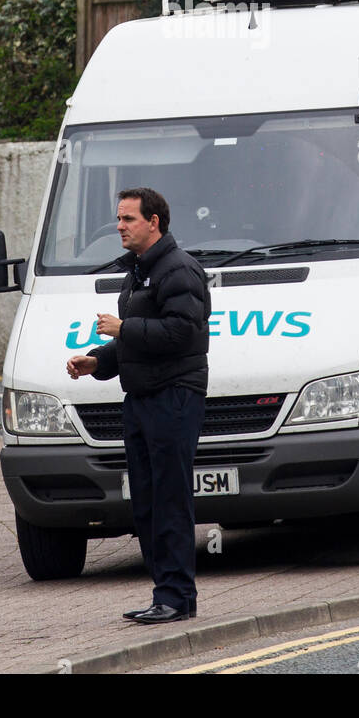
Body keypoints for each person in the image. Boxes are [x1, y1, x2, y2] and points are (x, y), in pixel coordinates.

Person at [66, 187, 211, 625]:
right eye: (119, 218)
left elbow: (183, 334)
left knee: (170, 498)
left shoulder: (180, 269)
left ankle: (175, 595)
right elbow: (134, 344)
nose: (119, 226)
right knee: (146, 501)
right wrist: (97, 362)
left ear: (155, 222)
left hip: (174, 397)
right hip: (141, 399)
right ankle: (169, 595)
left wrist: (125, 328)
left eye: (128, 219)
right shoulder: (138, 273)